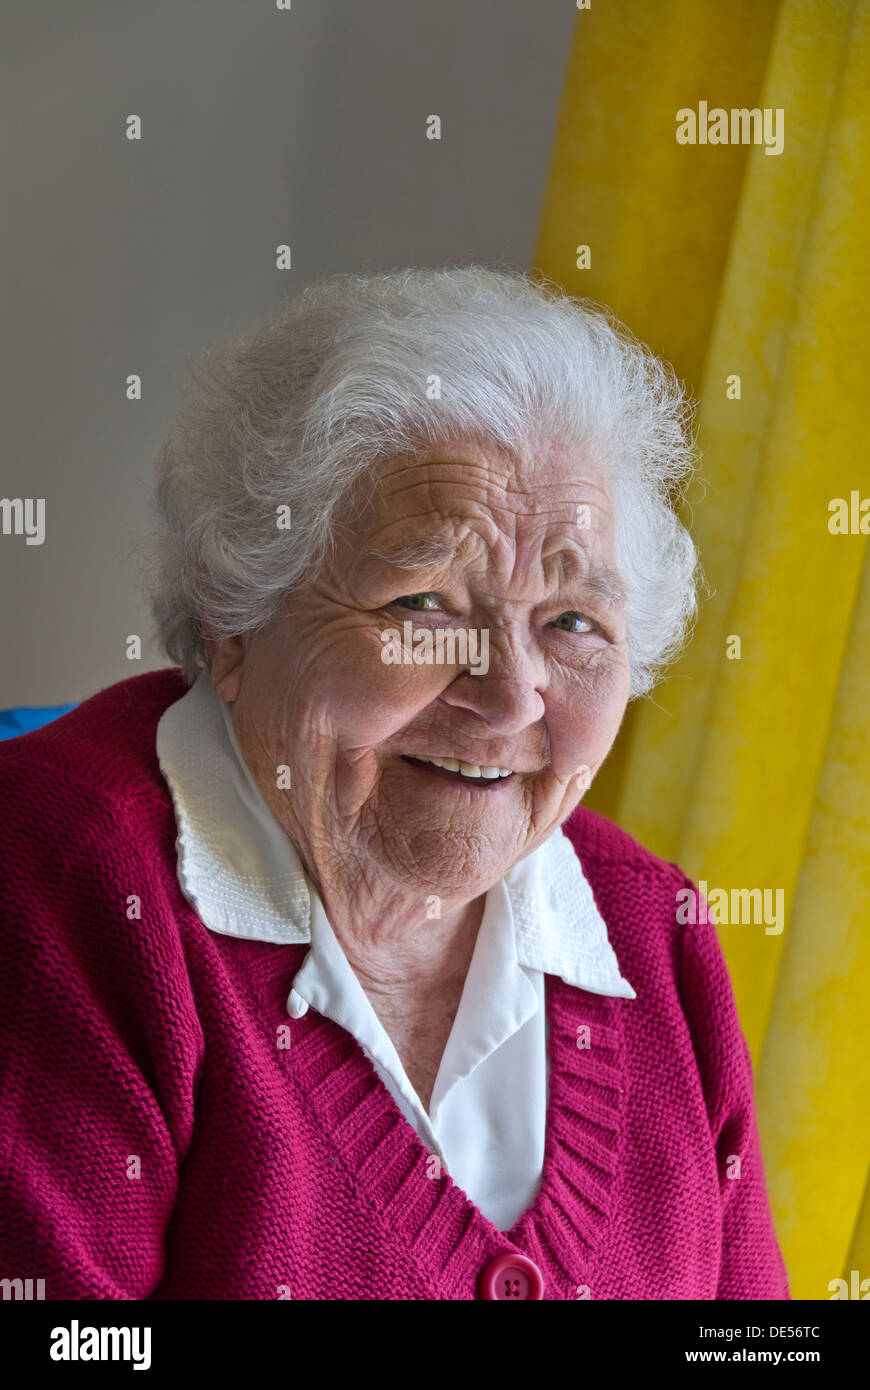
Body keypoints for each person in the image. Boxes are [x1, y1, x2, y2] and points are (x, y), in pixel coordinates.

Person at [0, 266, 789, 1299]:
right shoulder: (58, 884)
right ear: (236, 616)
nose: (512, 697)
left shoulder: (655, 933)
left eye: (572, 623)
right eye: (424, 602)